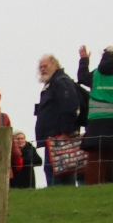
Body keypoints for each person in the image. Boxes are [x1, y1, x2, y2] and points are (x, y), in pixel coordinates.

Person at [35, 53, 83, 187]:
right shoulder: (52, 84)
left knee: (59, 171)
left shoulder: (61, 81)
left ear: (55, 65)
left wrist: (65, 132)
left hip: (59, 137)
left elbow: (70, 107)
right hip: (52, 137)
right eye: (40, 67)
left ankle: (59, 203)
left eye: (45, 66)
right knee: (54, 171)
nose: (42, 69)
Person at [79, 45, 113, 185]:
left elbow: (81, 77)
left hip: (95, 124)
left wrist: (84, 60)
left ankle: (91, 188)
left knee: (95, 159)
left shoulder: (96, 74)